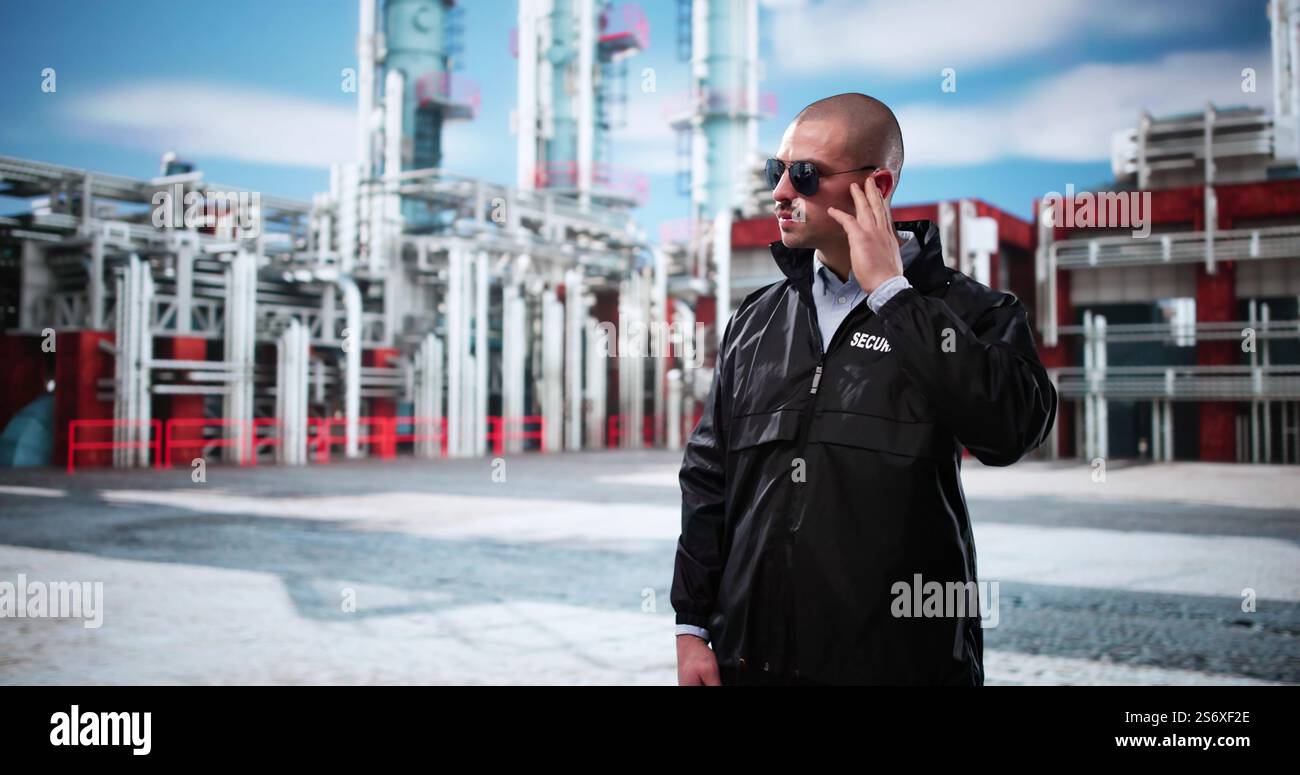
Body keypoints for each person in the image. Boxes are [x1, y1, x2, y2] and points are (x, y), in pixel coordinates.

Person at [671, 92, 1058, 686]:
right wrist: (693, 628)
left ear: (877, 185)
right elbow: (707, 477)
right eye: (778, 172)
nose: (780, 193)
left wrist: (895, 300)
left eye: (805, 176)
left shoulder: (970, 312)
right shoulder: (756, 320)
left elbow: (1012, 431)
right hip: (750, 662)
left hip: (898, 667)